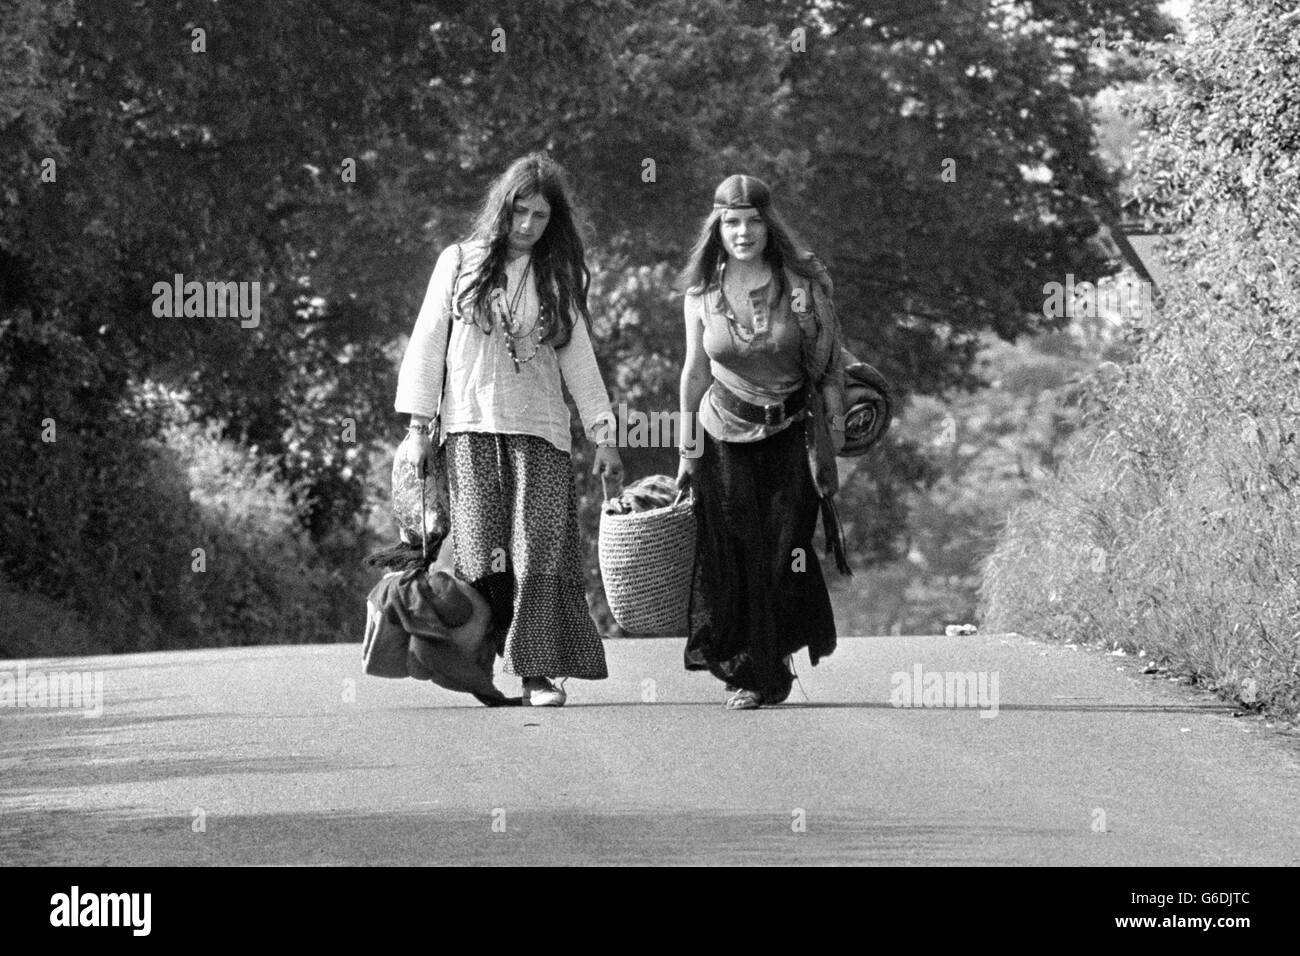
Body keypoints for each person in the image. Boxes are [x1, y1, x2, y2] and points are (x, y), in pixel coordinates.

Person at [395, 153, 623, 707]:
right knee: (480, 554)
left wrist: (604, 435)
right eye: (519, 211)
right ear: (502, 208)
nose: (526, 226)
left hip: (541, 433)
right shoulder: (459, 262)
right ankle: (477, 658)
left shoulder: (556, 277)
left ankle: (537, 672)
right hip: (470, 431)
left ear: (554, 221)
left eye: (540, 216)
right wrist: (419, 429)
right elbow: (428, 346)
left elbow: (580, 360)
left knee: (538, 551)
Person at [676, 173, 848, 710]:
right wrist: (686, 451)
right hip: (721, 435)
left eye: (752, 221)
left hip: (789, 434)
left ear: (768, 226)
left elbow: (831, 366)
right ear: (718, 228)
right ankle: (756, 671)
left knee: (783, 553)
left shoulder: (801, 287)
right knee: (734, 554)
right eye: (731, 222)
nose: (743, 231)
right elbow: (692, 373)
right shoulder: (701, 294)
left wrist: (833, 438)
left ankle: (773, 653)